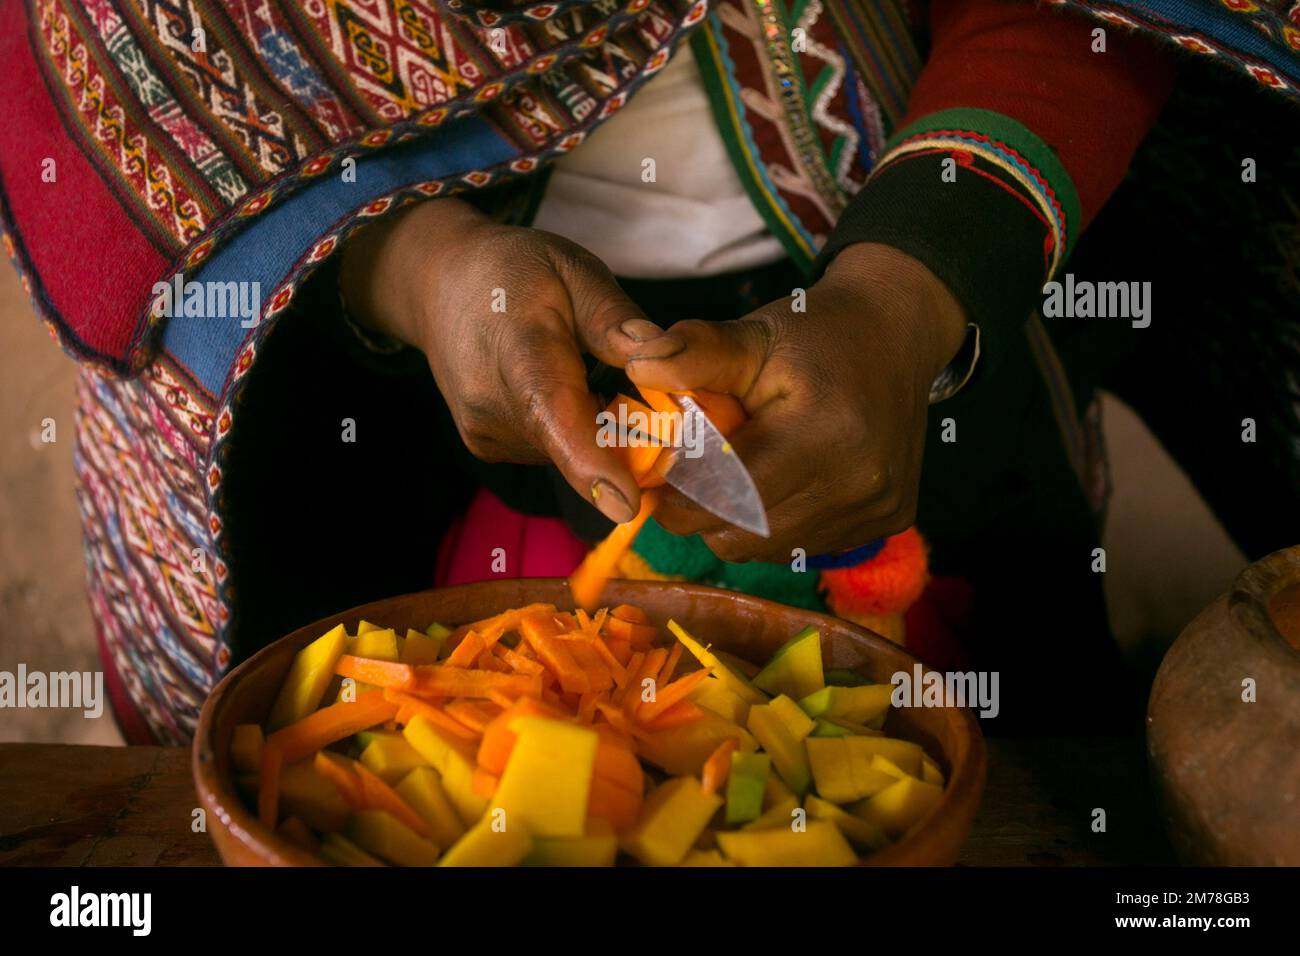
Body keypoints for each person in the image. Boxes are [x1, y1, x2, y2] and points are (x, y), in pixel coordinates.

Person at [0, 0, 1295, 744]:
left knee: (974, 769)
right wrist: (419, 269)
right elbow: (128, 58)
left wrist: (908, 297)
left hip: (923, 341)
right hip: (397, 419)